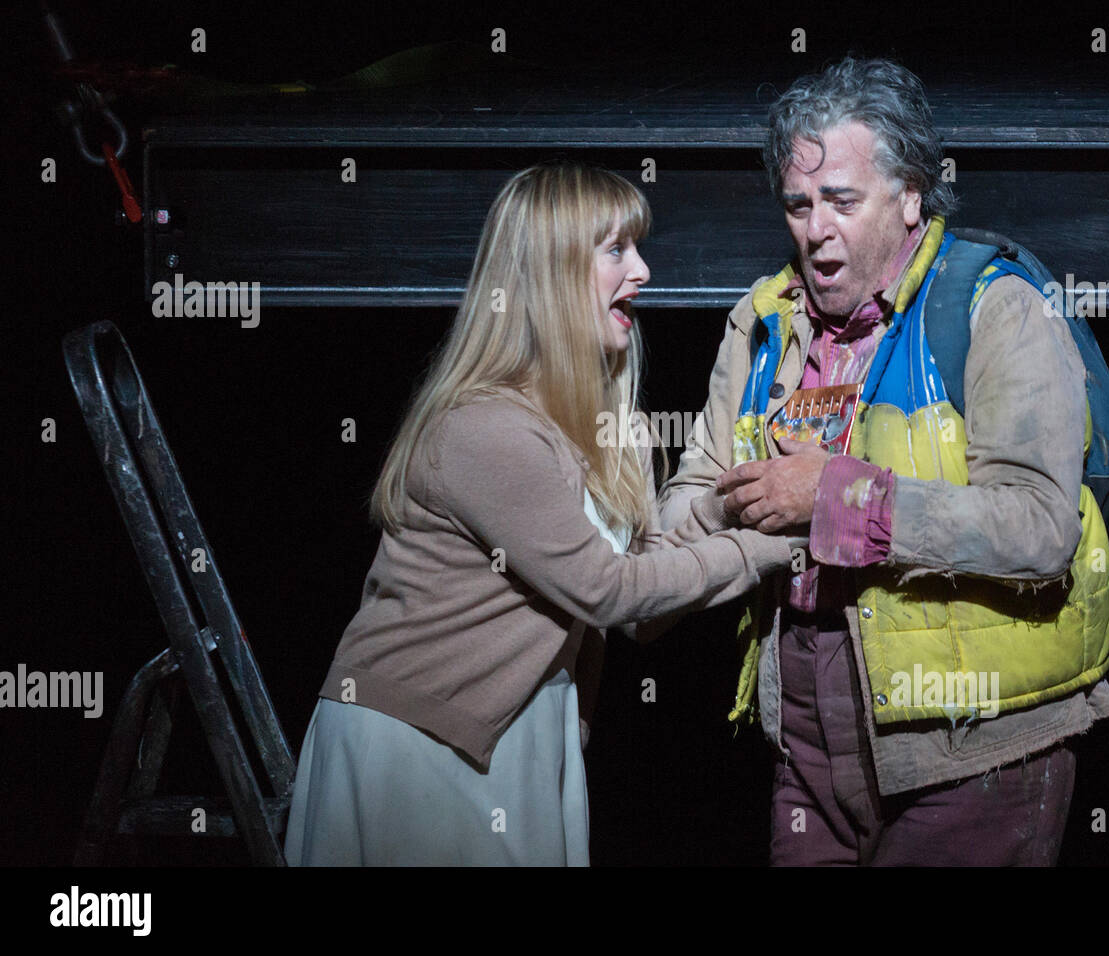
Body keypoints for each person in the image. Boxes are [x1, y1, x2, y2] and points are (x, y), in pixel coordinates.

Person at [657, 57, 1109, 866]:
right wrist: (737, 507)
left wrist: (832, 497)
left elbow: (1041, 527)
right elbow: (690, 492)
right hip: (803, 748)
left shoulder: (996, 308)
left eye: (841, 200)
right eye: (798, 204)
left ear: (910, 196)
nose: (814, 229)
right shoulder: (761, 322)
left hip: (972, 750)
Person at [284, 162, 799, 866]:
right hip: (419, 738)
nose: (644, 270)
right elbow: (610, 593)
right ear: (551, 274)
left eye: (637, 247)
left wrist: (733, 501)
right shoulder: (486, 427)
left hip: (523, 730)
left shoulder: (614, 430)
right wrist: (772, 549)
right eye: (616, 250)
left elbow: (644, 601)